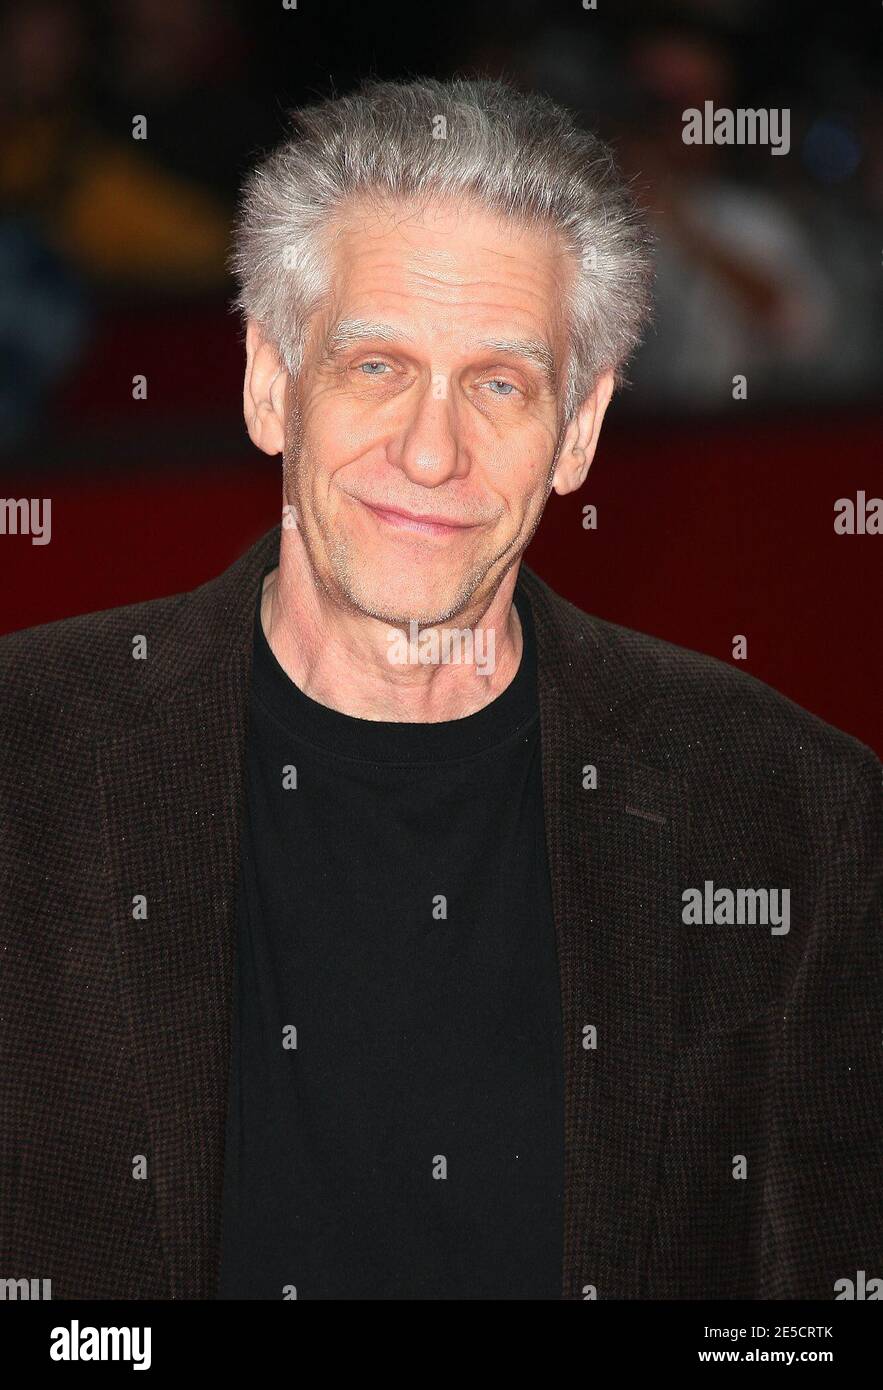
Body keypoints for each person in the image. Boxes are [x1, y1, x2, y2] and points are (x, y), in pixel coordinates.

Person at [1, 77, 880, 1301]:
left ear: (577, 431)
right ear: (268, 382)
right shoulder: (23, 761)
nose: (430, 451)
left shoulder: (791, 812)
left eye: (500, 384)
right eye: (374, 365)